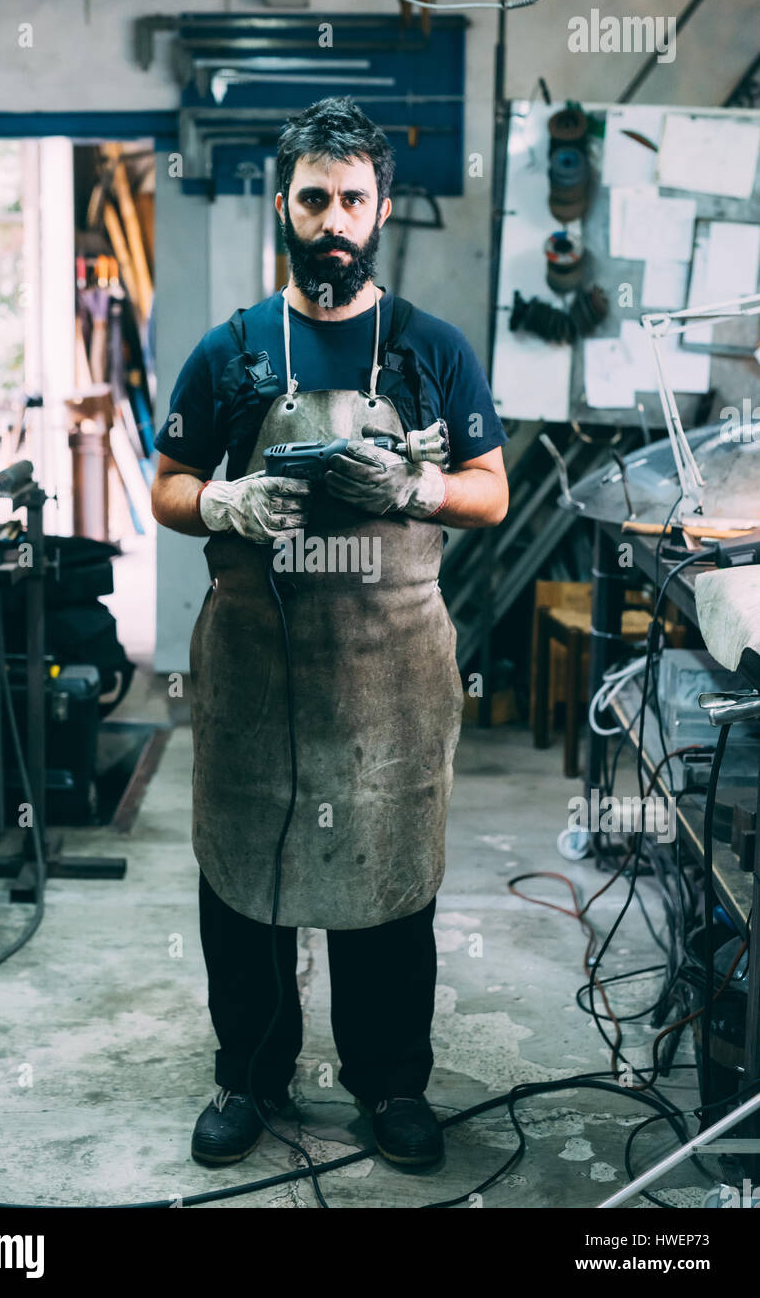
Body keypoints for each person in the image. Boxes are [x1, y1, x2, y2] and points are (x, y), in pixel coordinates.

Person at [152, 96, 509, 1171]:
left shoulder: (430, 350)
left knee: (389, 885)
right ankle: (249, 1078)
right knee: (249, 881)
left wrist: (420, 482)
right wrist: (224, 505)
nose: (334, 220)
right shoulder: (233, 353)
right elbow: (166, 483)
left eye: (354, 199)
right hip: (258, 675)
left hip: (391, 681)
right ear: (283, 205)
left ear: (383, 210)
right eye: (315, 198)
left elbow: (493, 490)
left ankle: (391, 1084)